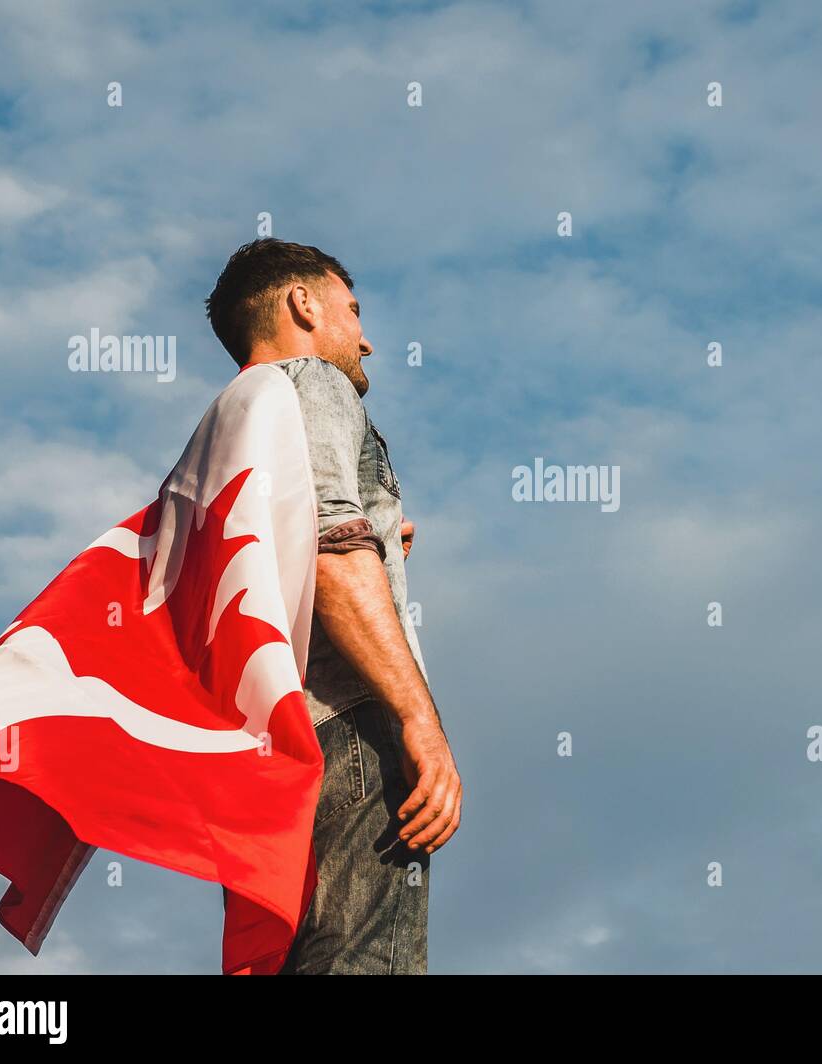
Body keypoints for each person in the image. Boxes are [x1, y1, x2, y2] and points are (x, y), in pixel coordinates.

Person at [205, 239, 461, 974]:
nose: (367, 337)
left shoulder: (231, 417)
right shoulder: (312, 379)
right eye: (353, 311)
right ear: (303, 304)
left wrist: (374, 535)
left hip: (262, 751)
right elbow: (328, 542)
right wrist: (418, 721)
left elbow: (280, 544)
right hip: (342, 725)